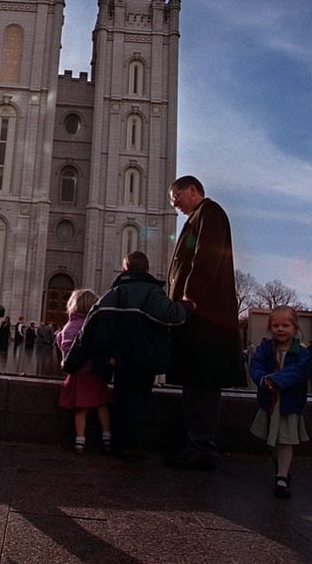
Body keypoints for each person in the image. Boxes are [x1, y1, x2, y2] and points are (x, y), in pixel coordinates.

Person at [63, 251, 192, 460]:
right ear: (146, 269)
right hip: (145, 361)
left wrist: (70, 362)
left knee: (122, 398)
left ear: (125, 269)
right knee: (139, 401)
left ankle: (118, 444)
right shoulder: (152, 293)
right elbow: (172, 316)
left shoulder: (112, 295)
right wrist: (187, 305)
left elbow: (86, 332)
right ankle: (130, 446)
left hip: (119, 361)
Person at [164, 175, 244, 470]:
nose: (175, 205)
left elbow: (206, 254)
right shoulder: (197, 217)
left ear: (192, 190)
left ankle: (202, 447)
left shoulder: (209, 212)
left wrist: (191, 296)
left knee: (203, 384)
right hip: (196, 320)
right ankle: (196, 444)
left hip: (204, 320)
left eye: (176, 198)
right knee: (195, 382)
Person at [249, 306, 310, 499]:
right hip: (270, 401)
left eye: (285, 325)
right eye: (276, 326)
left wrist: (275, 380)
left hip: (288, 404)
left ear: (295, 327)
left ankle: (282, 476)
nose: (280, 329)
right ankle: (280, 465)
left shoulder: (301, 352)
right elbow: (256, 365)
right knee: (271, 438)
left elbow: (298, 371)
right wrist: (262, 379)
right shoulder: (265, 348)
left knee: (285, 439)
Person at [55, 289, 111, 454]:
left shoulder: (68, 326)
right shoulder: (91, 324)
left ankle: (80, 440)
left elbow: (59, 340)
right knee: (102, 405)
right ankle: (107, 435)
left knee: (80, 409)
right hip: (93, 373)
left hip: (77, 374)